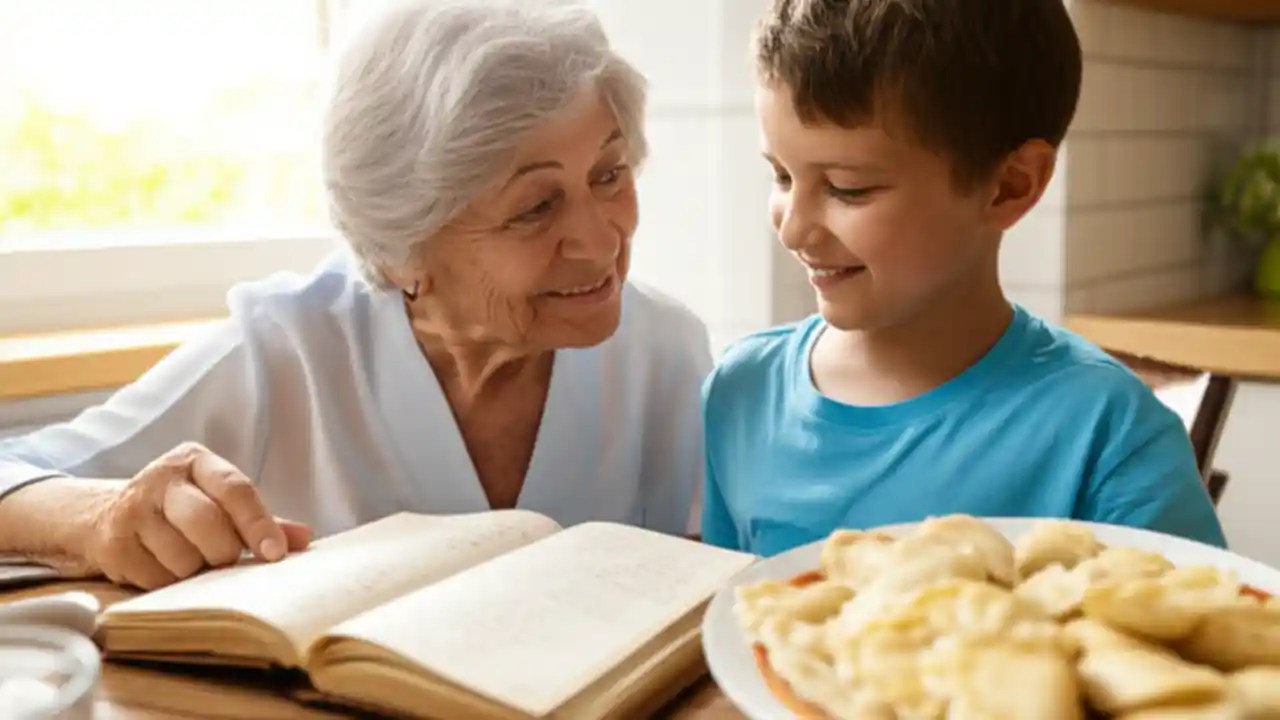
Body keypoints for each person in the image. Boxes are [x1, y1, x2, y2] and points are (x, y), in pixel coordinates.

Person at [0, 0, 710, 589]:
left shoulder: (667, 351)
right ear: (404, 248)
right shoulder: (286, 349)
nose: (600, 239)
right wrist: (98, 518)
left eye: (610, 174)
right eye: (534, 208)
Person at [701, 0, 1225, 556]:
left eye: (847, 187)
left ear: (1009, 187)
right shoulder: (741, 393)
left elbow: (1197, 636)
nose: (793, 229)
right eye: (781, 175)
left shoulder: (1109, 437)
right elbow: (724, 624)